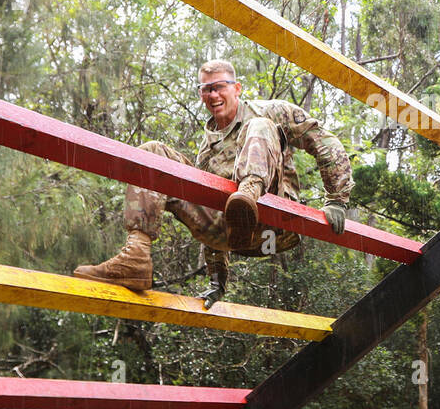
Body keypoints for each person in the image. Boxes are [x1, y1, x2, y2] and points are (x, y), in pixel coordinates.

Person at [74, 59, 353, 307]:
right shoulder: (207, 152)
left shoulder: (271, 112)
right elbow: (208, 200)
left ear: (237, 88)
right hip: (233, 233)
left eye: (219, 87)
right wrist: (217, 282)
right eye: (206, 89)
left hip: (273, 224)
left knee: (258, 125)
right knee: (153, 153)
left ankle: (249, 194)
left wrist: (336, 199)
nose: (213, 95)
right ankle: (136, 257)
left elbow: (322, 139)